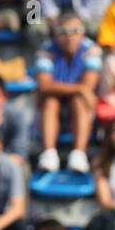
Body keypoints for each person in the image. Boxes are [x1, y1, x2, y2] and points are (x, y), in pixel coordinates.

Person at [34, 10, 103, 174]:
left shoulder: (92, 50)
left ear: (83, 33)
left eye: (75, 31)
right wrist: (79, 88)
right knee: (50, 100)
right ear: (55, 34)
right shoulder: (45, 50)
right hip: (54, 102)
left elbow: (89, 85)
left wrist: (76, 89)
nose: (69, 36)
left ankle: (79, 154)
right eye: (63, 32)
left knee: (78, 101)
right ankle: (48, 154)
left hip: (78, 104)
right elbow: (44, 86)